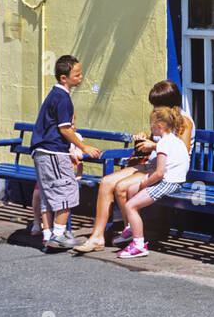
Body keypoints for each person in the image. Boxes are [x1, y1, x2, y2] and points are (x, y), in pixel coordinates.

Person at [74, 80, 195, 254]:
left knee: (122, 186)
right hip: (152, 163)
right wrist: (145, 139)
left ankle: (131, 230)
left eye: (157, 104)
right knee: (106, 182)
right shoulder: (162, 117)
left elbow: (181, 151)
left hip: (167, 169)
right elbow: (158, 141)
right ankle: (97, 236)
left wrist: (153, 146)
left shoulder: (184, 121)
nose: (154, 108)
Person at [30, 55, 101, 250]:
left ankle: (47, 235)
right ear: (64, 78)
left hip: (42, 152)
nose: (81, 77)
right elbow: (65, 129)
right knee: (66, 192)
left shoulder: (53, 95)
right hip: (53, 152)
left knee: (48, 194)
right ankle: (58, 236)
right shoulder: (63, 98)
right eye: (76, 75)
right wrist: (85, 147)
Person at [114, 106, 190, 259]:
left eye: (151, 125)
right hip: (175, 181)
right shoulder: (174, 140)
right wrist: (141, 184)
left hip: (169, 183)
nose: (150, 128)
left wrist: (145, 183)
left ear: (159, 126)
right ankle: (131, 227)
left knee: (130, 205)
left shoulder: (163, 143)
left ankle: (138, 245)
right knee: (131, 190)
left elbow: (160, 172)